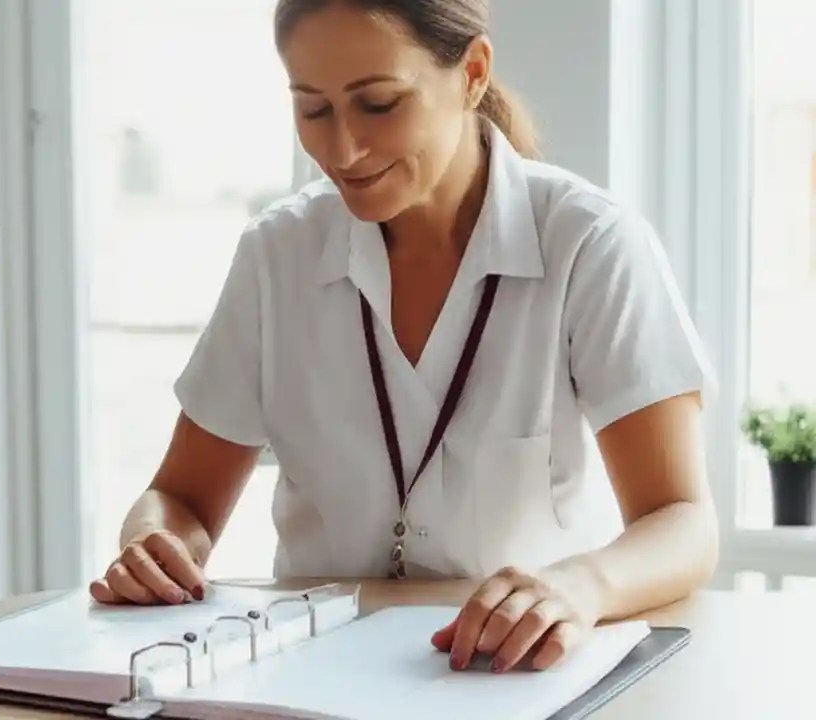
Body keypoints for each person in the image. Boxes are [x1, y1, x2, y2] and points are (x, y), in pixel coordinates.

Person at [90, 0, 719, 676]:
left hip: (511, 677)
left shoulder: (588, 246)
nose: (343, 150)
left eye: (380, 104)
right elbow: (180, 500)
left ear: (473, 72)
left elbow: (682, 520)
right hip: (309, 681)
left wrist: (580, 586)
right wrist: (153, 541)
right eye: (313, 109)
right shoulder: (278, 254)